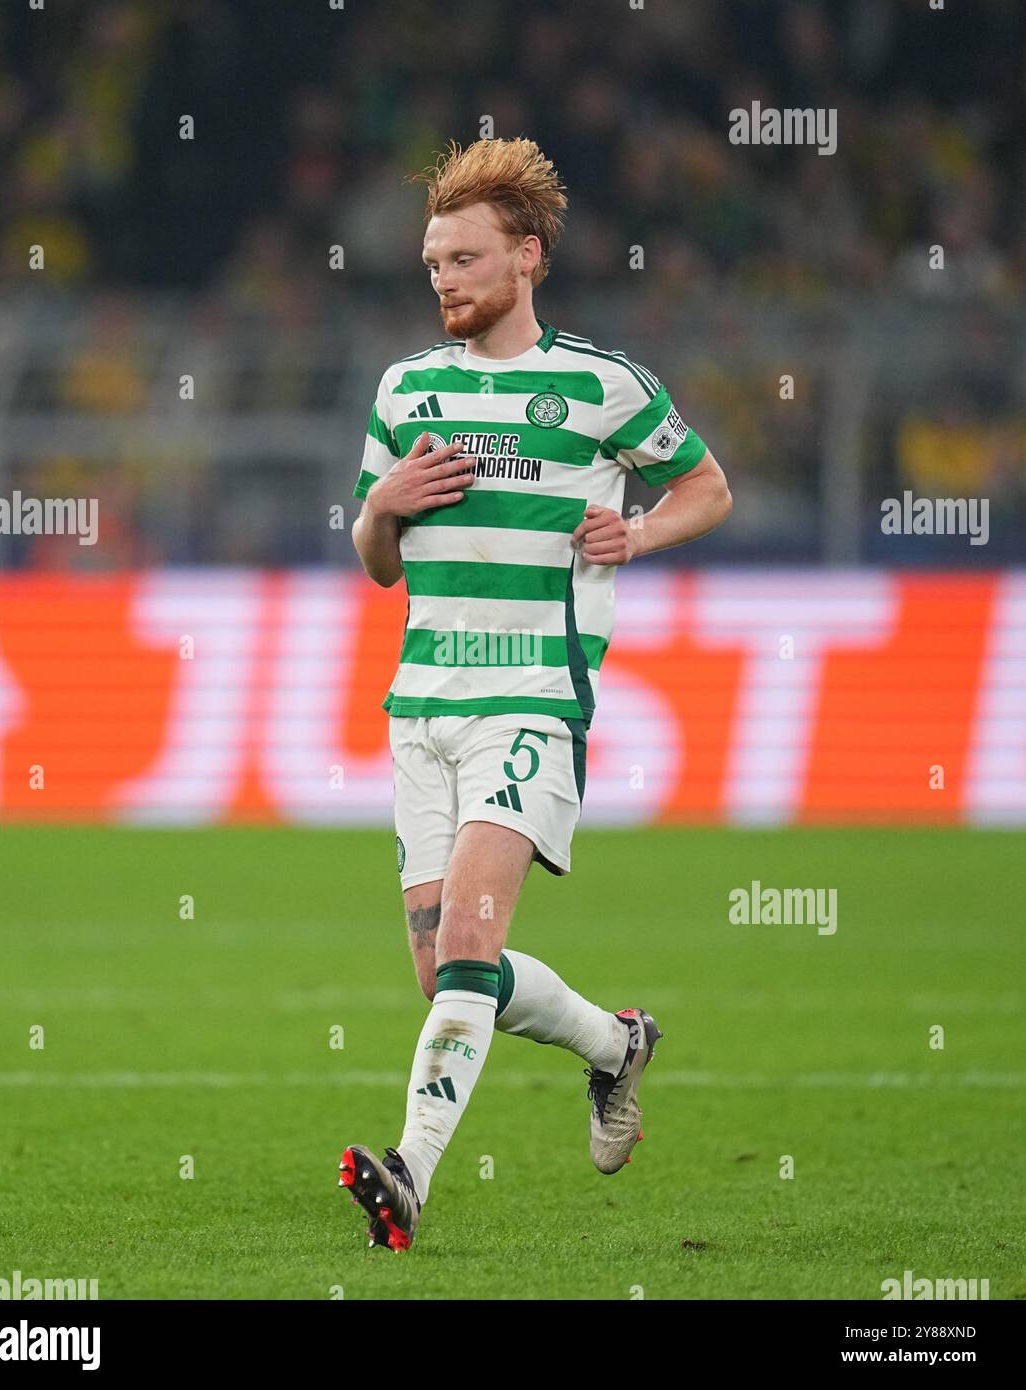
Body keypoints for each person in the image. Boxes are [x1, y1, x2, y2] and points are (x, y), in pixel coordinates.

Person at [339, 137, 732, 1250]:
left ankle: (408, 1173)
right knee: (443, 974)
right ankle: (615, 1047)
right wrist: (383, 508)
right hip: (421, 709)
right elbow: (376, 560)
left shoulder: (602, 386)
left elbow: (707, 484)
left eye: (463, 259)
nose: (443, 280)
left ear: (528, 258)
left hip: (530, 701)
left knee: (468, 939)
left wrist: (641, 529)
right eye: (431, 263)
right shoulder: (404, 389)